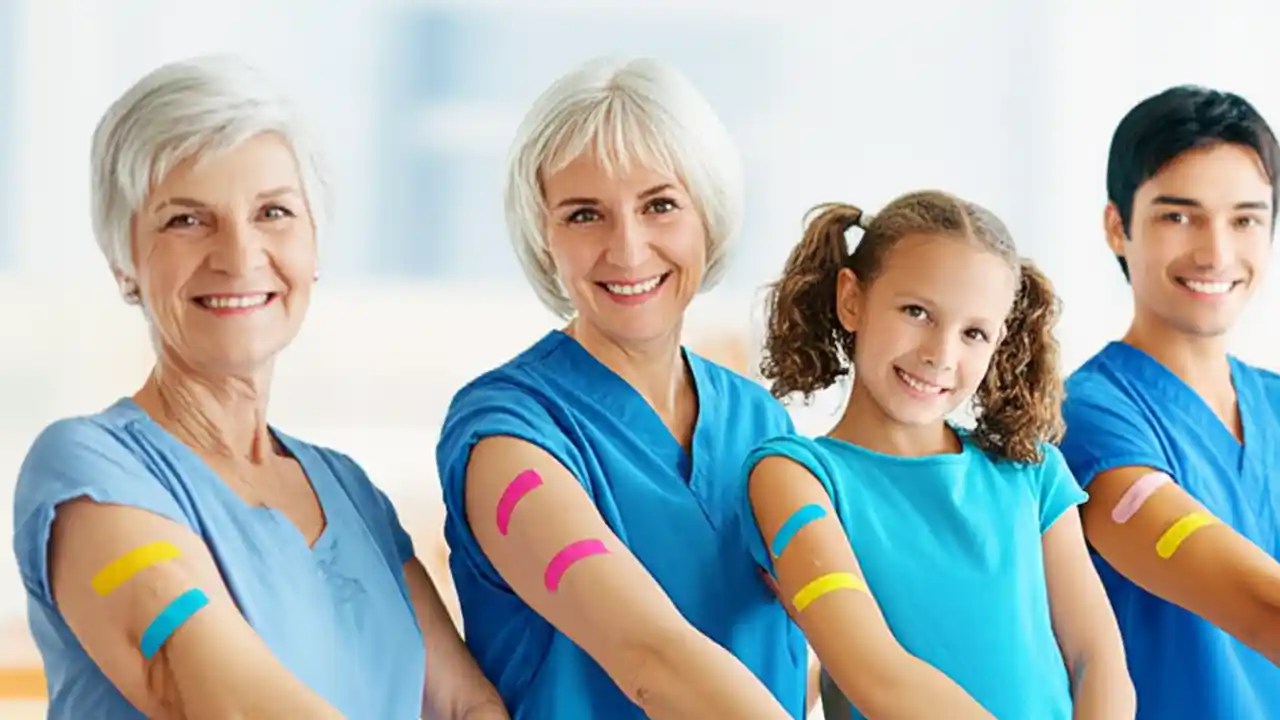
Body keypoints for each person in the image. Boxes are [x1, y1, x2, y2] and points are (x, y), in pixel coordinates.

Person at [11, 55, 506, 720]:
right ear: (124, 263)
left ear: (313, 247)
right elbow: (217, 695)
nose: (240, 256)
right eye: (186, 220)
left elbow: (464, 708)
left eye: (273, 212)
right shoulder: (89, 470)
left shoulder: (352, 494)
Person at [434, 56, 805, 719]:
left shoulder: (760, 425)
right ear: (544, 237)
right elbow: (648, 658)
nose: (628, 248)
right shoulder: (508, 436)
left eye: (660, 205)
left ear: (706, 215)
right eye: (584, 215)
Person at [738, 192, 1134, 719]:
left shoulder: (1033, 472)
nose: (940, 354)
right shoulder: (794, 478)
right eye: (917, 312)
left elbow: (1097, 661)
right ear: (851, 300)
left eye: (973, 332)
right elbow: (875, 673)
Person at [1058, 85, 1280, 718]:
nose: (1216, 252)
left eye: (1245, 219)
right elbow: (1259, 604)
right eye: (1178, 215)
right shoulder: (1090, 418)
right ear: (1116, 226)